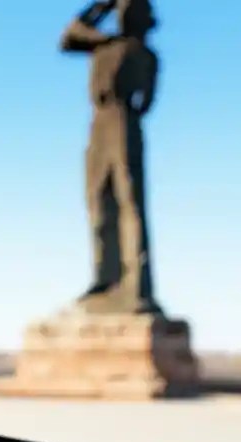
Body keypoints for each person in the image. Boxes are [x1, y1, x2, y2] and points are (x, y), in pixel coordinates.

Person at [61, 0, 162, 314]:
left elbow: (146, 102)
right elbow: (69, 37)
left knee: (129, 201)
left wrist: (127, 113)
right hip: (98, 123)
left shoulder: (144, 54)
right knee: (98, 201)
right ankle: (104, 279)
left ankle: (137, 284)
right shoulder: (103, 44)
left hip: (123, 119)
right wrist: (100, 6)